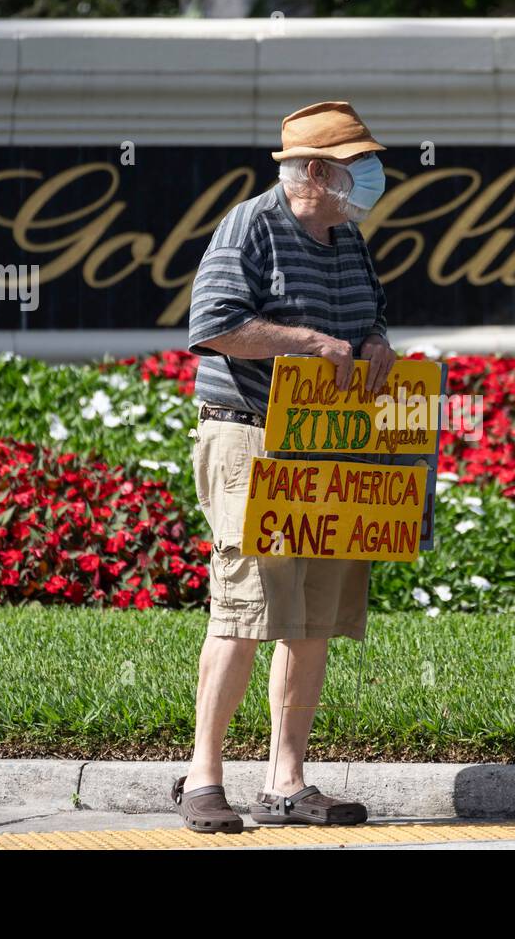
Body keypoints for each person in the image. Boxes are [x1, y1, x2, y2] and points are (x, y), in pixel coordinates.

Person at [173, 101, 398, 832]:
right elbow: (213, 327)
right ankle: (204, 777)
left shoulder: (348, 238)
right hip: (251, 436)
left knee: (314, 617)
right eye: (355, 165)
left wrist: (373, 345)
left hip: (333, 444)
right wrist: (307, 342)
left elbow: (371, 317)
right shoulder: (250, 224)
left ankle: (287, 782)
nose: (369, 176)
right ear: (313, 172)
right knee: (244, 608)